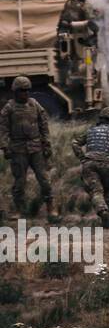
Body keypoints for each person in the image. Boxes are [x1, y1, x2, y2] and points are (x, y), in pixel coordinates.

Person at [0, 76, 54, 222]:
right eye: (22, 91)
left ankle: (51, 207)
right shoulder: (9, 107)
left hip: (36, 147)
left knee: (44, 179)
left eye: (27, 90)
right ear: (15, 92)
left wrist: (47, 143)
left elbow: (44, 124)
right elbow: (3, 128)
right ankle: (19, 209)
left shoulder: (34, 104)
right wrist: (5, 147)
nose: (25, 93)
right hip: (18, 149)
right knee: (20, 181)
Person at [73, 107, 109, 227]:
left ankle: (103, 212)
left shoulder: (90, 130)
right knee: (108, 191)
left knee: (96, 191)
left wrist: (82, 157)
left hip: (89, 164)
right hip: (108, 164)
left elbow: (75, 142)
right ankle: (108, 218)